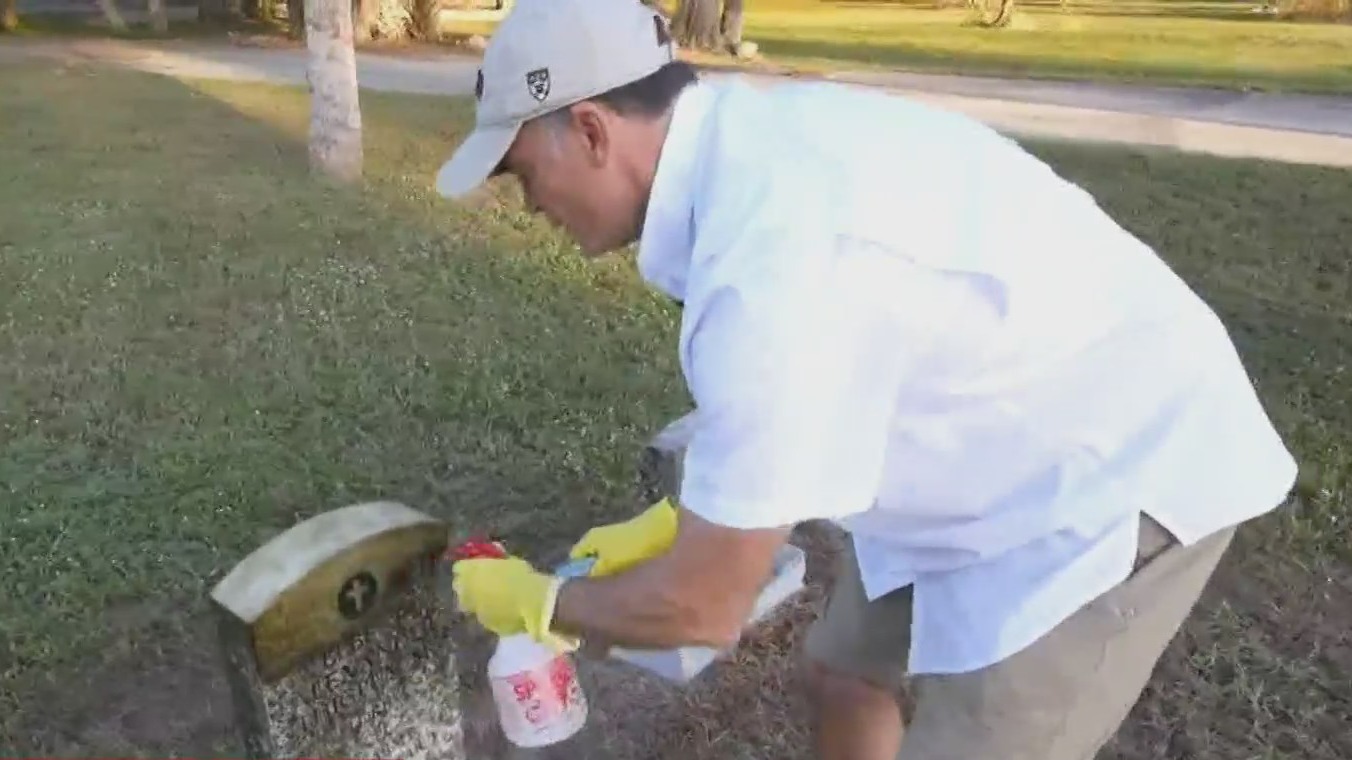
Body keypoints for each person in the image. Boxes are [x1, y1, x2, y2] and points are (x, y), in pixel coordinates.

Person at [443, 0, 1299, 756]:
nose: (529, 207)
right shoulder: (747, 156)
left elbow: (702, 609)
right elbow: (811, 394)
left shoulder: (772, 264)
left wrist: (543, 602)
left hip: (1107, 478)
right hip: (989, 427)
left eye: (521, 174)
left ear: (591, 131)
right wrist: (680, 520)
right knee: (844, 673)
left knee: (984, 730)